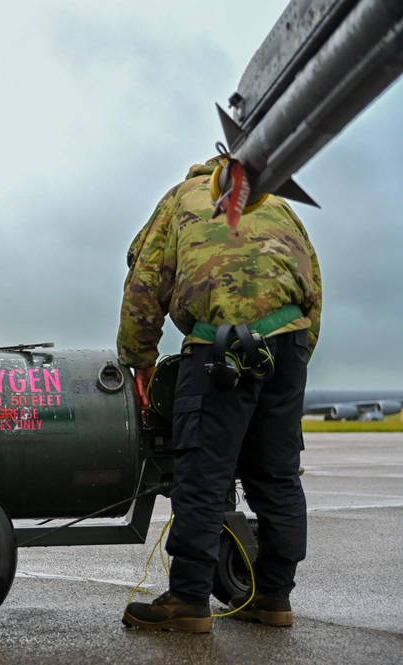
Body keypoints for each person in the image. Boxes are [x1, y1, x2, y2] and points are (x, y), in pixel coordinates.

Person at [117, 157, 322, 633]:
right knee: (277, 475)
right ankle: (274, 598)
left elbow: (145, 278)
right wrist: (295, 357)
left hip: (219, 348)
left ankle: (188, 601)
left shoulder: (181, 198)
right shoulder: (281, 205)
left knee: (203, 476)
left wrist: (139, 358)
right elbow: (313, 284)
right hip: (287, 345)